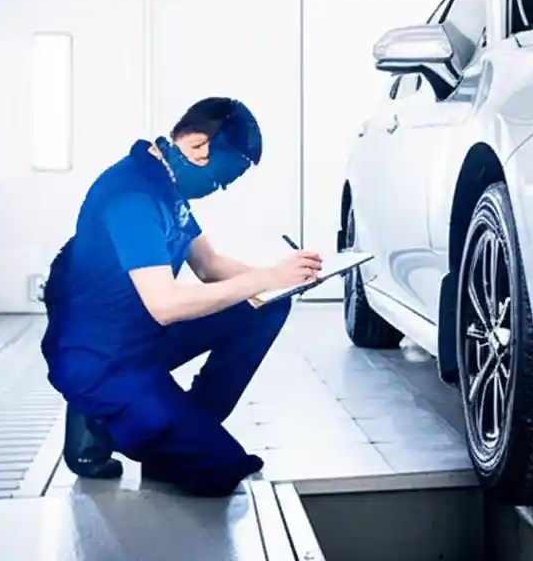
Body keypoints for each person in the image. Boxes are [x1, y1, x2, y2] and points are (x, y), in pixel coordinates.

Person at [39, 97, 322, 497]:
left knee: (267, 306)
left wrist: (285, 281)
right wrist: (265, 276)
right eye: (221, 177)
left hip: (141, 337)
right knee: (220, 470)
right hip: (104, 358)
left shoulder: (167, 186)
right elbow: (165, 304)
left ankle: (187, 425)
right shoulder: (131, 196)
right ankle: (98, 418)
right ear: (196, 146)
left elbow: (209, 265)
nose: (218, 187)